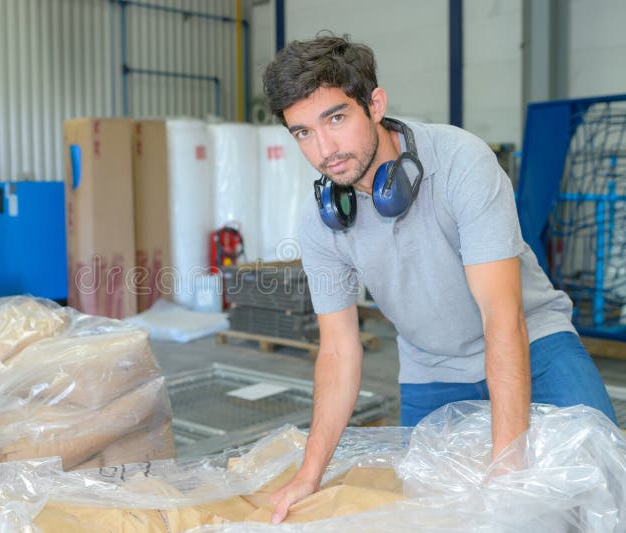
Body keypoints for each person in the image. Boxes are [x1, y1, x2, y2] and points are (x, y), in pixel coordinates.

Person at [262, 34, 618, 523]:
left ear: (375, 104)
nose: (324, 149)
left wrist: (508, 464)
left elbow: (502, 314)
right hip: (433, 367)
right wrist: (309, 472)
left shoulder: (460, 163)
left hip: (534, 343)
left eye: (336, 118)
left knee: (596, 477)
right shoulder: (320, 221)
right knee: (436, 515)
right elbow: (339, 350)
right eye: (302, 132)